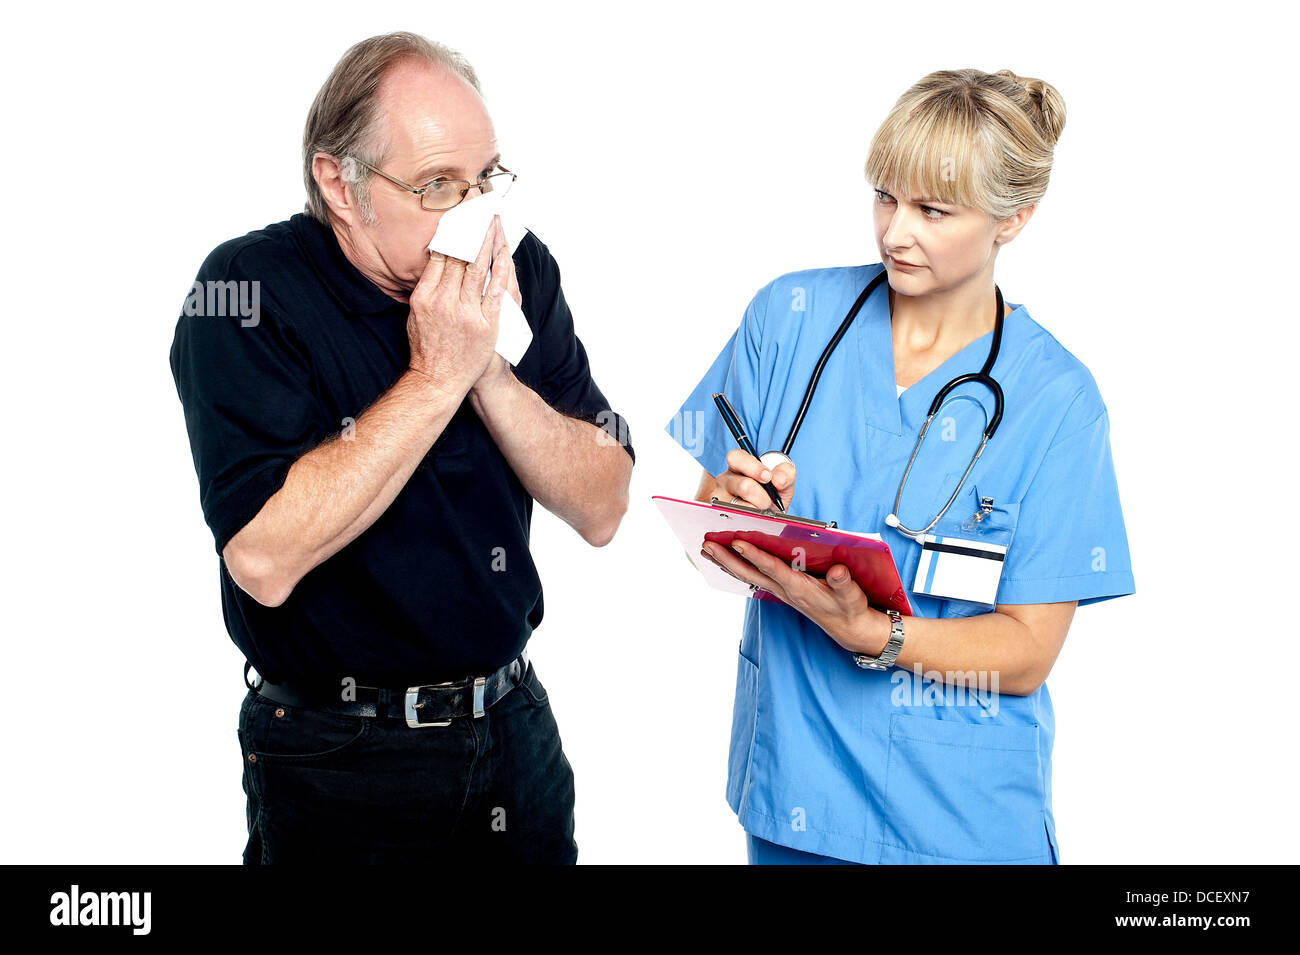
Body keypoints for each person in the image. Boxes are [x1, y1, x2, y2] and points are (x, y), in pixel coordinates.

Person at [169, 32, 634, 864]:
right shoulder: (243, 293)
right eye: (436, 186)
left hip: (513, 727)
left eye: (486, 178)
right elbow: (266, 557)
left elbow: (603, 503)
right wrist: (431, 378)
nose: (474, 212)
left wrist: (482, 368)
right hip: (338, 754)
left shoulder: (515, 267)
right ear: (338, 184)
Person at [665, 69, 1133, 864]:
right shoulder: (789, 319)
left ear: (1014, 218)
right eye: (885, 196)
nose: (894, 233)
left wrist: (876, 634)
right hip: (795, 802)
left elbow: (1026, 653)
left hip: (962, 822)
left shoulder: (1057, 399)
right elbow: (705, 527)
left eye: (932, 210)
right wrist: (735, 508)